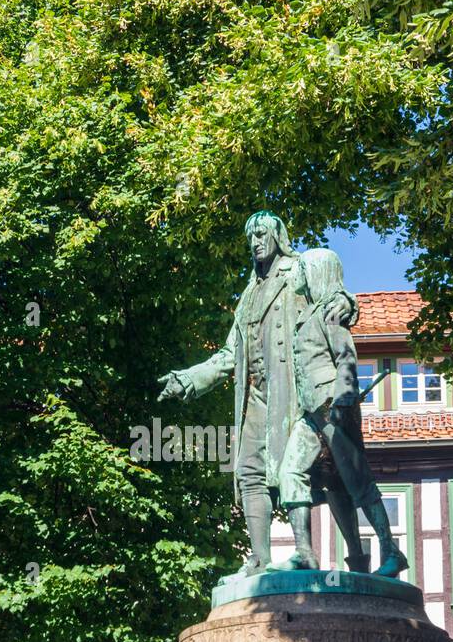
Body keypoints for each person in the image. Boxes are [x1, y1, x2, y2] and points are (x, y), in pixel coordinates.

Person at [158, 212, 355, 576]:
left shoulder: (298, 270)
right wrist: (189, 379)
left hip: (293, 390)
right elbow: (231, 353)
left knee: (313, 472)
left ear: (278, 236)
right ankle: (260, 558)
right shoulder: (248, 293)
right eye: (251, 236)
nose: (255, 242)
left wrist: (347, 302)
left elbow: (332, 294)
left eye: (261, 234)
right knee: (250, 472)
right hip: (256, 396)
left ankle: (307, 552)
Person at [276, 249, 407, 575]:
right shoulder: (309, 313)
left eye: (302, 270)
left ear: (316, 272)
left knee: (355, 480)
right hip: (311, 412)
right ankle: (304, 552)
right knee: (289, 473)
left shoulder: (330, 312)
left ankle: (391, 551)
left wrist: (344, 400)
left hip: (333, 407)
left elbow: (346, 356)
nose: (297, 276)